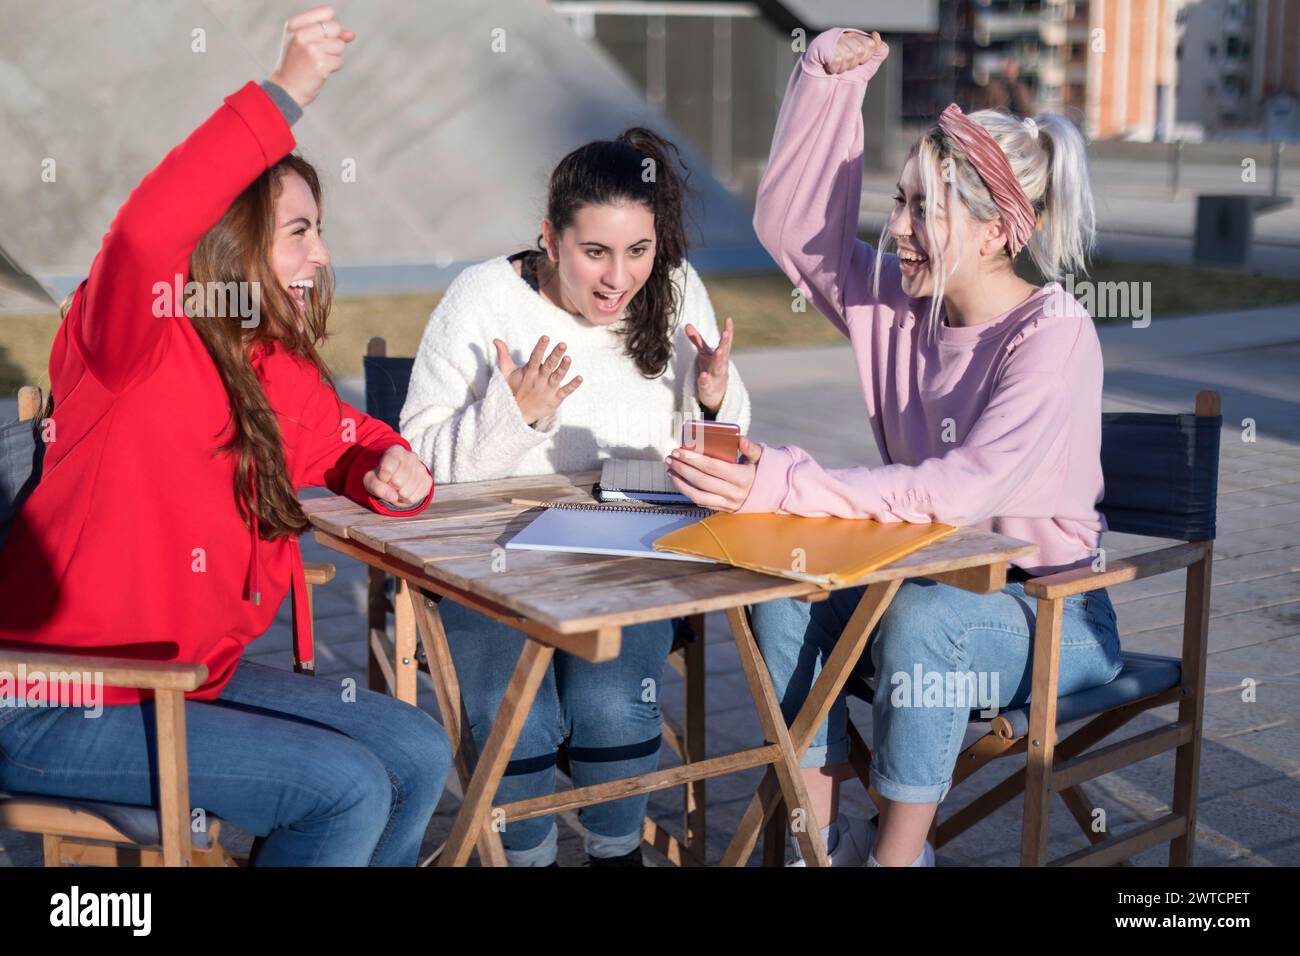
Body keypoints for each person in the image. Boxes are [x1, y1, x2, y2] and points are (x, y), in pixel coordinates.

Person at [0, 7, 450, 867]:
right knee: (344, 788)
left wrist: (383, 465)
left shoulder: (265, 356)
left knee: (417, 752)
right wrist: (282, 94)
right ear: (232, 241)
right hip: (54, 697)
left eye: (319, 229)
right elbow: (144, 230)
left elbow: (345, 437)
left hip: (182, 684)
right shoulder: (134, 334)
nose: (321, 254)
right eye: (298, 232)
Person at [665, 28, 1121, 867]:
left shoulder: (1054, 335)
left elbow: (955, 492)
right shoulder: (902, 305)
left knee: (924, 618)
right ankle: (820, 839)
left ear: (993, 235)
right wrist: (831, 84)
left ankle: (899, 856)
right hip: (919, 579)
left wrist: (781, 480)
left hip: (1052, 615)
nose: (896, 227)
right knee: (780, 584)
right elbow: (796, 229)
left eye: (921, 208)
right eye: (898, 200)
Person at [400, 129, 751, 866]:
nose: (617, 278)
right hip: (491, 558)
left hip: (626, 553)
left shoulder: (677, 288)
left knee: (613, 699)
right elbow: (416, 464)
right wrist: (514, 415)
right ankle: (525, 856)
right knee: (514, 708)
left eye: (637, 251)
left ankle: (615, 852)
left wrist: (716, 406)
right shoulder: (482, 298)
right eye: (594, 251)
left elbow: (723, 463)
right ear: (550, 239)